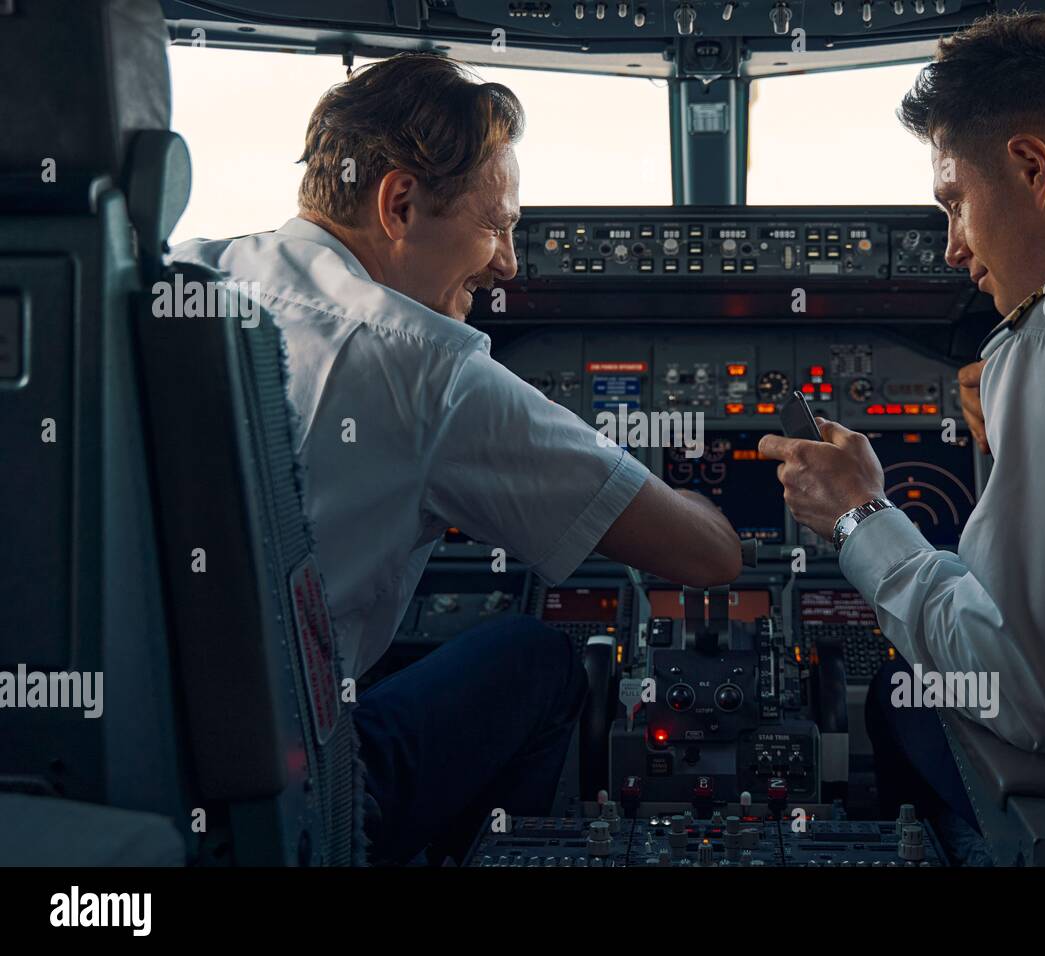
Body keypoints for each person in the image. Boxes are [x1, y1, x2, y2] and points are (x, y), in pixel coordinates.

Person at [170, 53, 741, 864]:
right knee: (536, 659)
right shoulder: (430, 370)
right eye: (496, 225)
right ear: (399, 203)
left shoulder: (188, 273)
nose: (508, 262)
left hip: (131, 785)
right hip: (289, 808)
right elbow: (709, 556)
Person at [758, 11, 1045, 829]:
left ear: (1031, 168)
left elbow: (1016, 691)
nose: (953, 247)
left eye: (955, 202)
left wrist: (859, 516)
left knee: (900, 697)